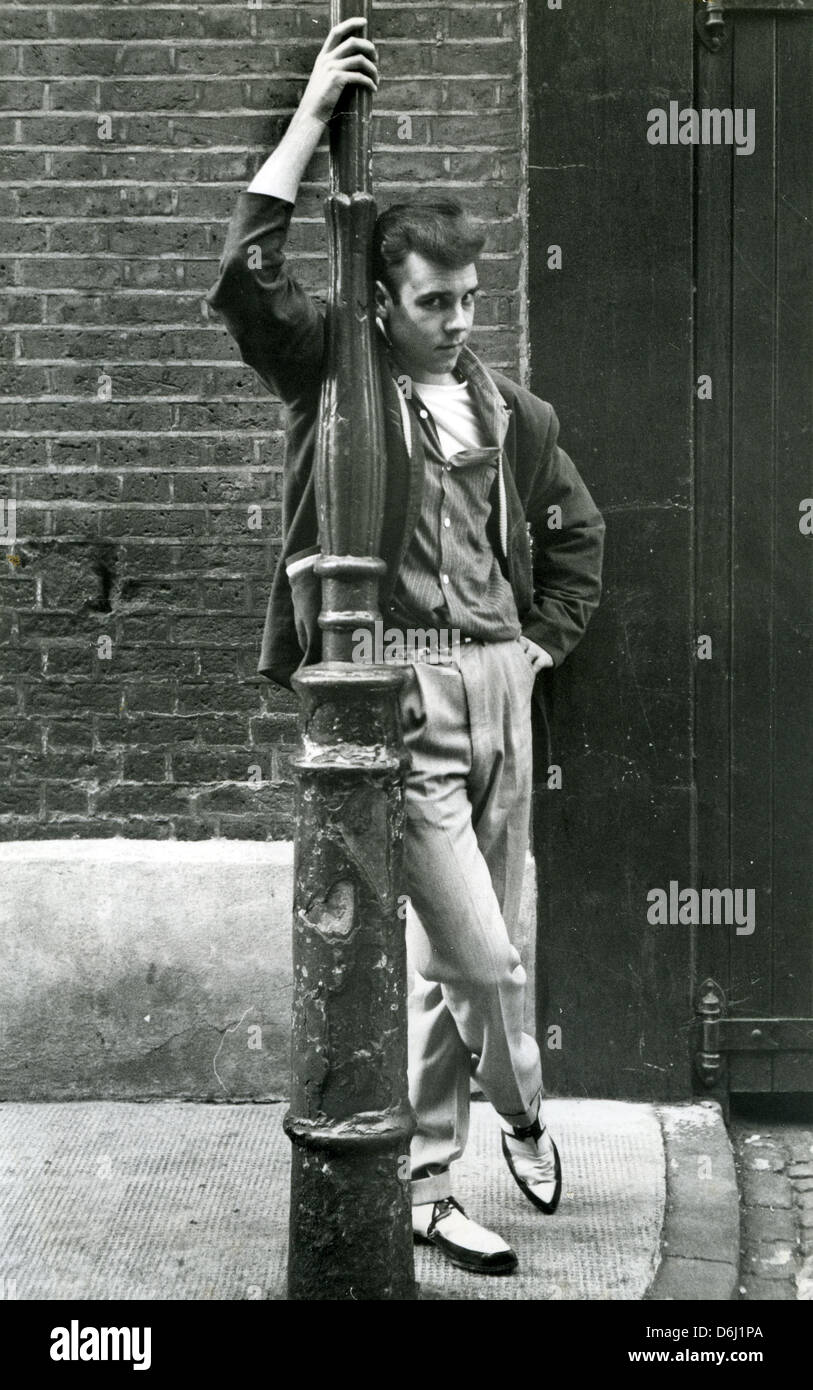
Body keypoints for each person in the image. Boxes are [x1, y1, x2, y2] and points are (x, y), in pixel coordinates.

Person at [208, 16, 605, 1276]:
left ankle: (431, 1184)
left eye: (468, 298)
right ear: (380, 300)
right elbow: (242, 273)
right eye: (433, 302)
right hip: (404, 686)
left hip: (501, 686)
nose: (455, 319)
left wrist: (540, 647)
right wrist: (314, 118)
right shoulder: (338, 371)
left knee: (470, 963)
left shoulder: (512, 411)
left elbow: (573, 532)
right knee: (481, 953)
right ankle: (528, 1106)